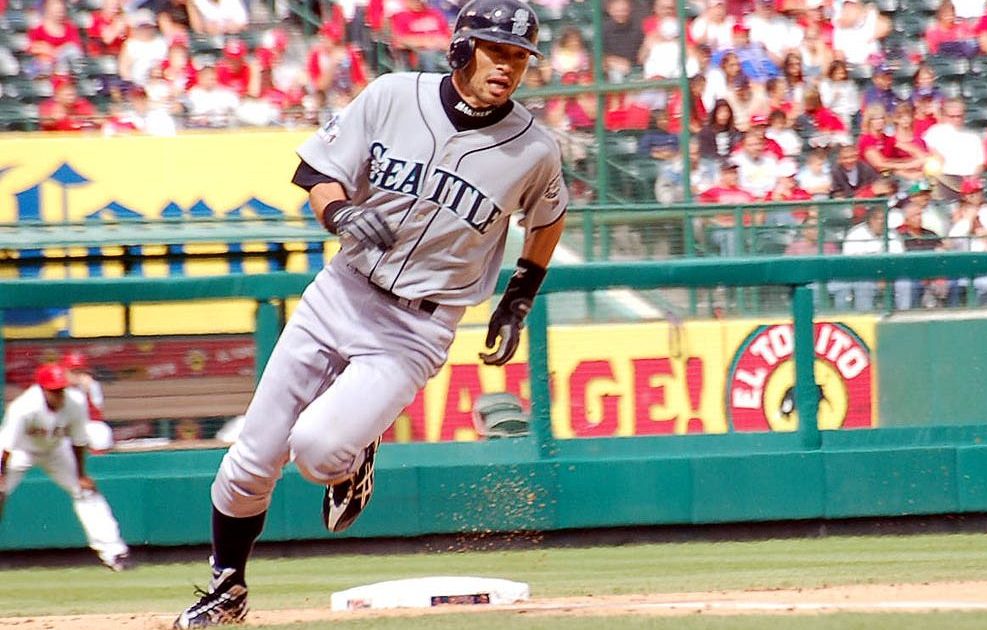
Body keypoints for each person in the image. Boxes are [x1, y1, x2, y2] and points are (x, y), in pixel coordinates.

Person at [173, 1, 567, 627]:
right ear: (462, 48)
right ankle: (228, 587)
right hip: (341, 292)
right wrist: (338, 214)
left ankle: (353, 456)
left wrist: (520, 294)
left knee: (316, 447)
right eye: (497, 51)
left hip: (416, 326)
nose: (509, 67)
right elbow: (315, 170)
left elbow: (548, 219)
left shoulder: (534, 149)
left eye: (520, 57)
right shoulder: (390, 95)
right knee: (251, 459)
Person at [0, 364, 131, 571]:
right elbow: (5, 447)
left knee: (86, 491)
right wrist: (1, 477)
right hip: (20, 451)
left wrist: (81, 475)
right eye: (54, 390)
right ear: (42, 389)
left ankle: (114, 553)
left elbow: (78, 441)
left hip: (55, 449)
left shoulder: (75, 402)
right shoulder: (23, 407)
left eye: (61, 389)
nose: (59, 394)